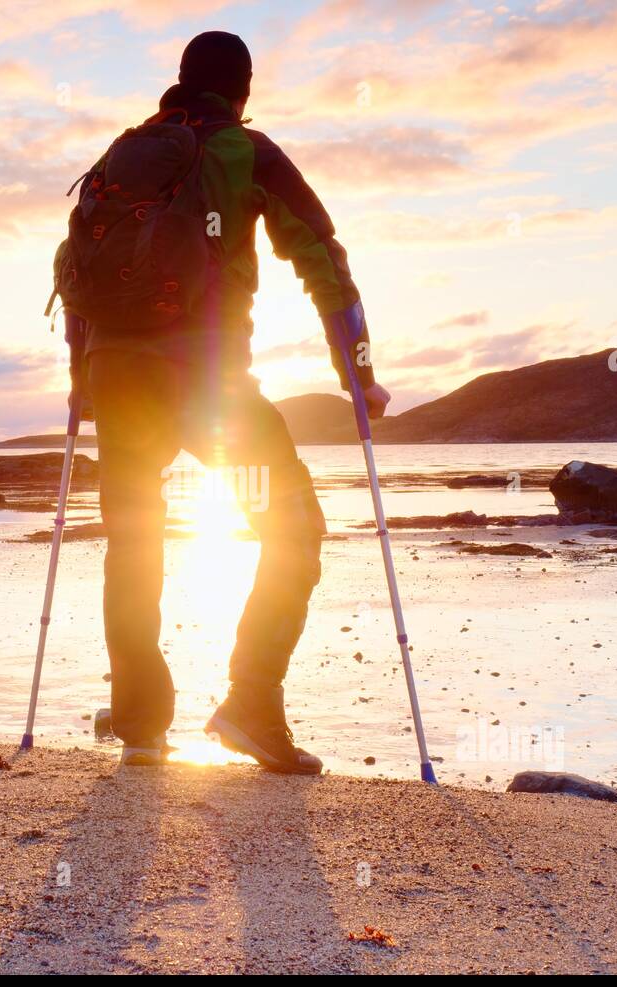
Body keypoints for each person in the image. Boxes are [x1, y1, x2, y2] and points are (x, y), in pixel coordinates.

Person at [80, 30, 390, 772]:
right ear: (244, 90)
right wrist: (358, 372)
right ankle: (251, 702)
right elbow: (322, 256)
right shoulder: (248, 152)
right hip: (207, 388)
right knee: (293, 525)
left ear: (180, 81)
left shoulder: (122, 156)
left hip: (117, 381)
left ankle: (142, 727)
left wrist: (79, 381)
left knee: (134, 537)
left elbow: (82, 271)